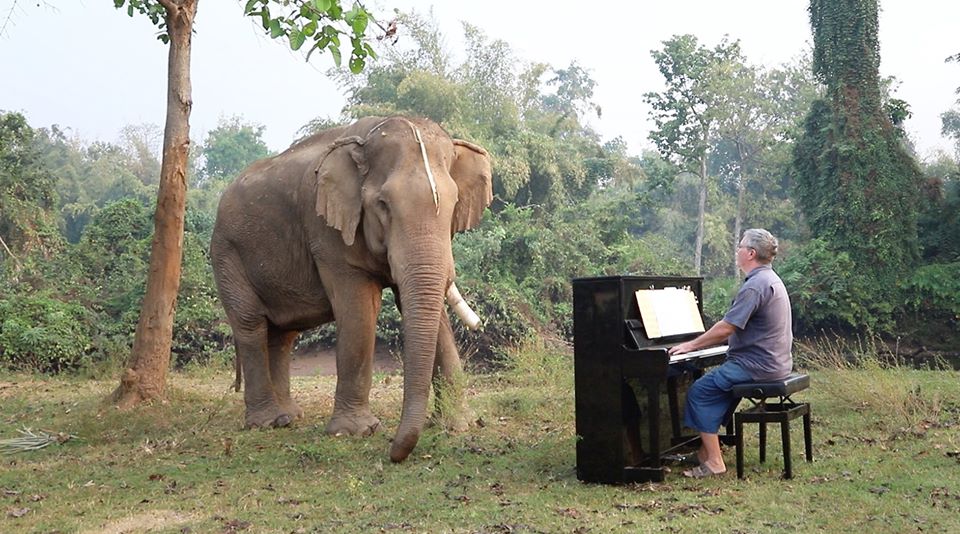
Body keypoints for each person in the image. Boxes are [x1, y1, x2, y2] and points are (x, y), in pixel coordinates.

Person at [668, 228, 793, 478]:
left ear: (750, 253)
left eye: (740, 247)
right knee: (719, 385)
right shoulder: (769, 279)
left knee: (700, 391)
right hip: (772, 362)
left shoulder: (756, 285)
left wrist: (691, 345)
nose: (737, 251)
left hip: (758, 366)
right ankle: (705, 451)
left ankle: (714, 462)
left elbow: (727, 328)